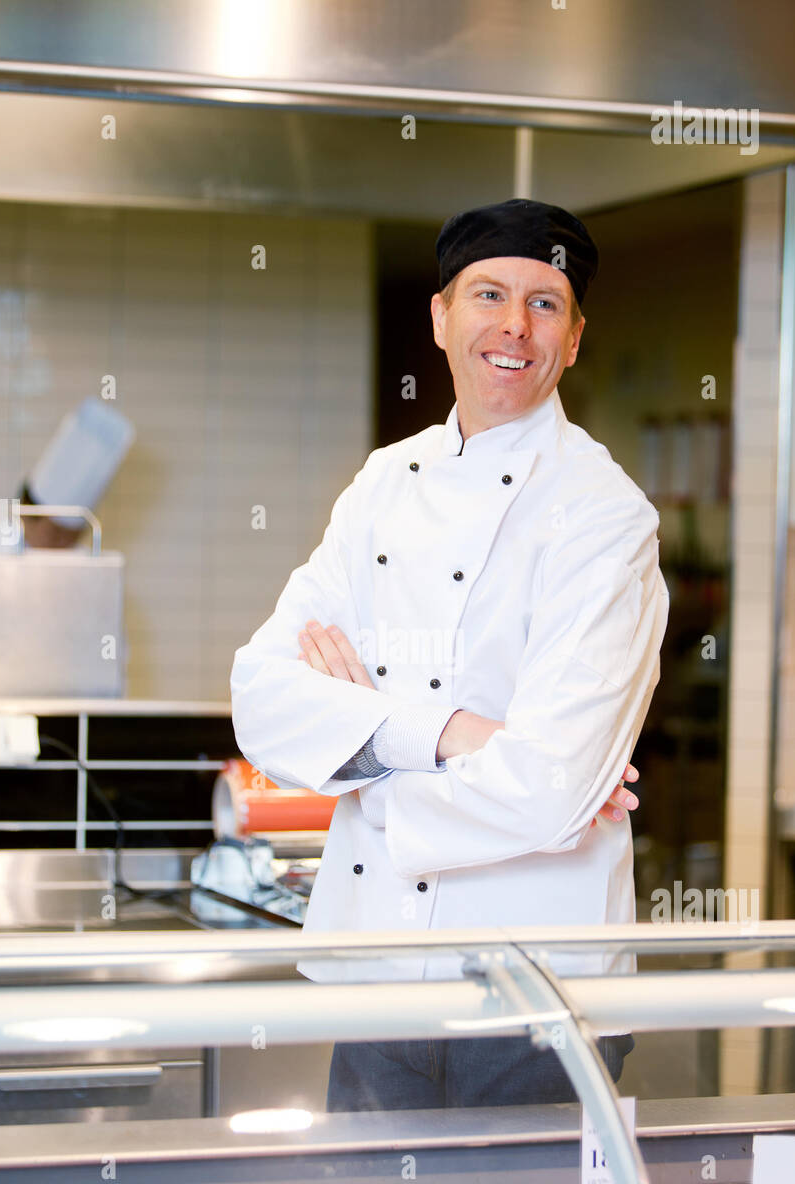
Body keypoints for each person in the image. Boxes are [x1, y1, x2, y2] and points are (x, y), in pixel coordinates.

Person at [231, 198, 669, 1111]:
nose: (514, 326)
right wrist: (457, 734)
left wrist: (360, 754)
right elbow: (262, 697)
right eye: (489, 294)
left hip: (536, 992)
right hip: (375, 975)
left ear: (575, 339)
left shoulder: (605, 514)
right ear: (441, 317)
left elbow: (549, 784)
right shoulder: (384, 482)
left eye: (545, 304)